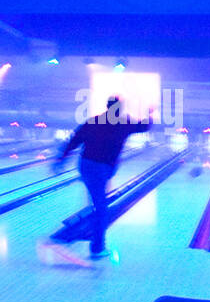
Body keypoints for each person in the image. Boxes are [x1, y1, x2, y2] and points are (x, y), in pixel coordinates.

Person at [50, 96, 155, 260]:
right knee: (100, 208)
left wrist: (60, 159)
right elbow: (144, 126)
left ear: (107, 107)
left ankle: (76, 234)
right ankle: (95, 247)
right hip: (101, 169)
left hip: (86, 166)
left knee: (96, 204)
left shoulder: (94, 120)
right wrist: (149, 113)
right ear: (120, 108)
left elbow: (74, 140)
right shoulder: (124, 122)